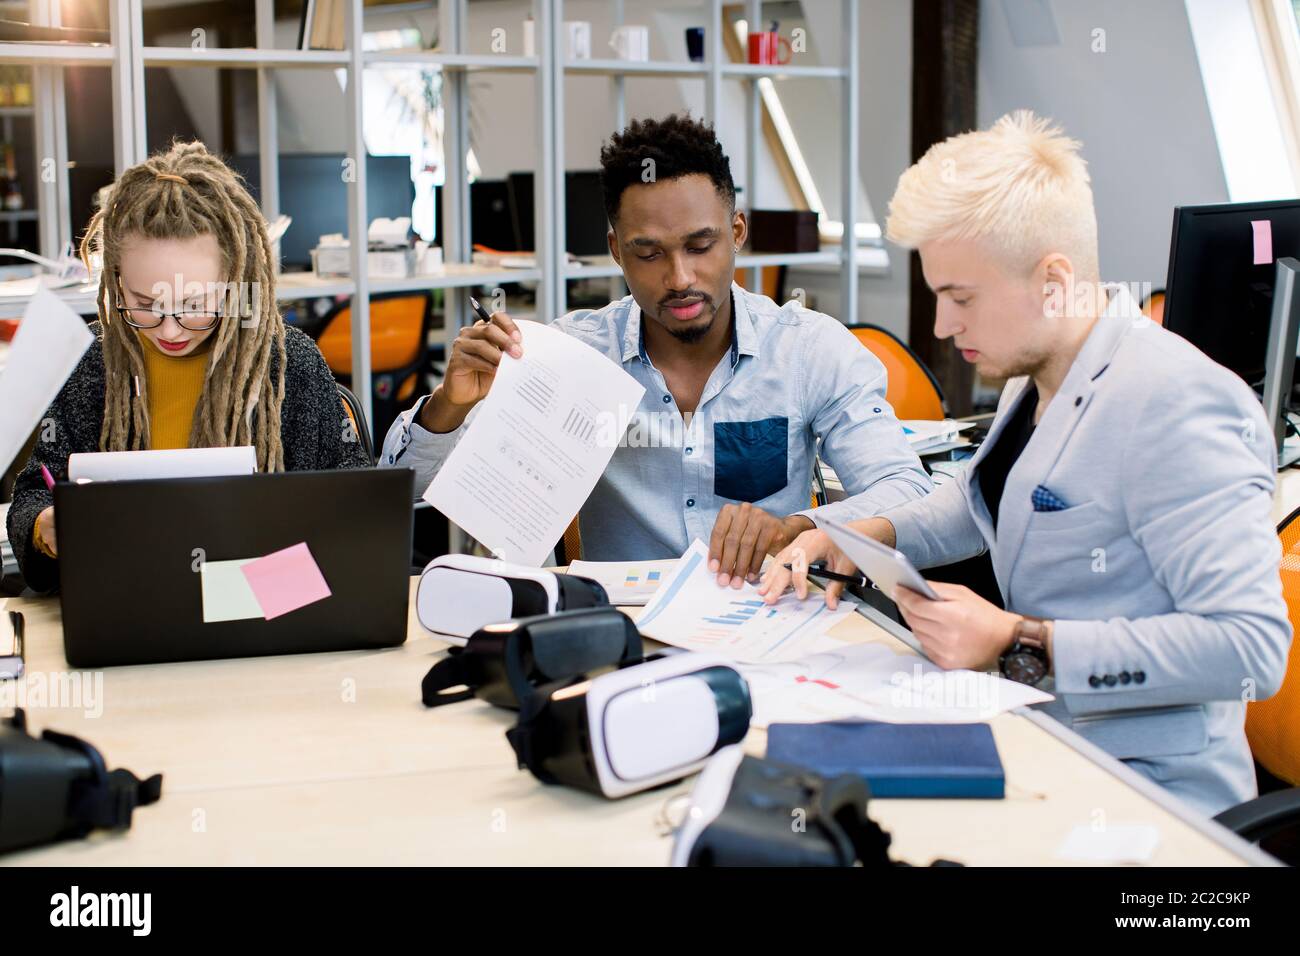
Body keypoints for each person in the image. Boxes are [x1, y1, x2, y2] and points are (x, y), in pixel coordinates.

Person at [760, 111, 1291, 817]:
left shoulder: (1176, 403)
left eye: (961, 299)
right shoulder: (1036, 372)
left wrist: (1020, 642)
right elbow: (979, 502)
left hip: (1149, 795)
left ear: (1052, 280)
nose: (944, 327)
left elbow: (1250, 648)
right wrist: (862, 536)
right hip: (1042, 743)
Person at [383, 113, 931, 584]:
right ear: (616, 250)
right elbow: (403, 492)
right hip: (623, 634)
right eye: (649, 254)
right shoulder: (570, 357)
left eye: (700, 245)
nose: (679, 277)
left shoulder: (808, 350)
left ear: (736, 231)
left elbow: (908, 491)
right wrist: (448, 408)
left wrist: (800, 528)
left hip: (766, 622)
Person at [7, 140, 369, 594]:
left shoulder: (287, 364)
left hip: (265, 612)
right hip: (124, 609)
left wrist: (231, 595)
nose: (170, 330)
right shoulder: (94, 367)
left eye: (194, 305)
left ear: (234, 281)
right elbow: (32, 497)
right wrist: (45, 528)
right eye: (144, 305)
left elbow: (353, 518)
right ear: (116, 282)